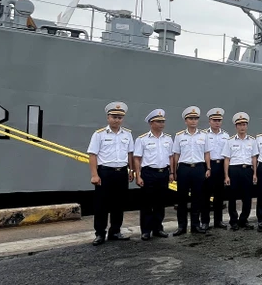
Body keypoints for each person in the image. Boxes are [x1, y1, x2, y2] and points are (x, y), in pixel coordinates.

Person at [87, 101, 134, 245]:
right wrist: (95, 175)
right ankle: (100, 233)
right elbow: (92, 155)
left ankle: (115, 231)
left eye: (119, 117)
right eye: (114, 117)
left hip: (121, 173)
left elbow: (130, 154)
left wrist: (131, 170)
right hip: (105, 172)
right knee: (101, 204)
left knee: (119, 204)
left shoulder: (127, 134)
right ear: (108, 118)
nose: (117, 120)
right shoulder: (99, 135)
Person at [134, 109, 172, 241]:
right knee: (146, 203)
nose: (162, 124)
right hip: (148, 173)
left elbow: (171, 157)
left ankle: (157, 228)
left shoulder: (168, 139)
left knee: (160, 202)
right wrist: (138, 176)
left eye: (163, 121)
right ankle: (145, 230)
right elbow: (137, 158)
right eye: (159, 121)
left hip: (163, 173)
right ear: (151, 123)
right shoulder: (142, 139)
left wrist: (171, 172)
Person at [171, 106, 208, 235]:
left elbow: (206, 153)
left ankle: (195, 225)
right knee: (181, 198)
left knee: (197, 198)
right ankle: (181, 226)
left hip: (198, 168)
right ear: (186, 121)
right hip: (184, 169)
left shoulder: (204, 135)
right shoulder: (179, 136)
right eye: (190, 119)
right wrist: (174, 171)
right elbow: (176, 155)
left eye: (195, 118)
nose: (193, 121)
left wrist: (208, 168)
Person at [223, 112, 258, 231]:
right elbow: (227, 159)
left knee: (247, 197)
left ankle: (244, 220)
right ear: (236, 127)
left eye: (244, 124)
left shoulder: (252, 141)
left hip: (247, 170)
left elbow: (254, 158)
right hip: (234, 170)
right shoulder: (230, 141)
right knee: (232, 197)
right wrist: (226, 175)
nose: (242, 127)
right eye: (239, 125)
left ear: (247, 126)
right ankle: (233, 221)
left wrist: (254, 173)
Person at [203, 107, 230, 229]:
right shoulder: (203, 135)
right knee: (206, 195)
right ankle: (205, 222)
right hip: (208, 166)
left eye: (219, 120)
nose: (217, 122)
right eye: (214, 120)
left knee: (219, 195)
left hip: (221, 165)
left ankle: (218, 221)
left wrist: (226, 173)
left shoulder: (226, 135)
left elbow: (227, 154)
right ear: (209, 121)